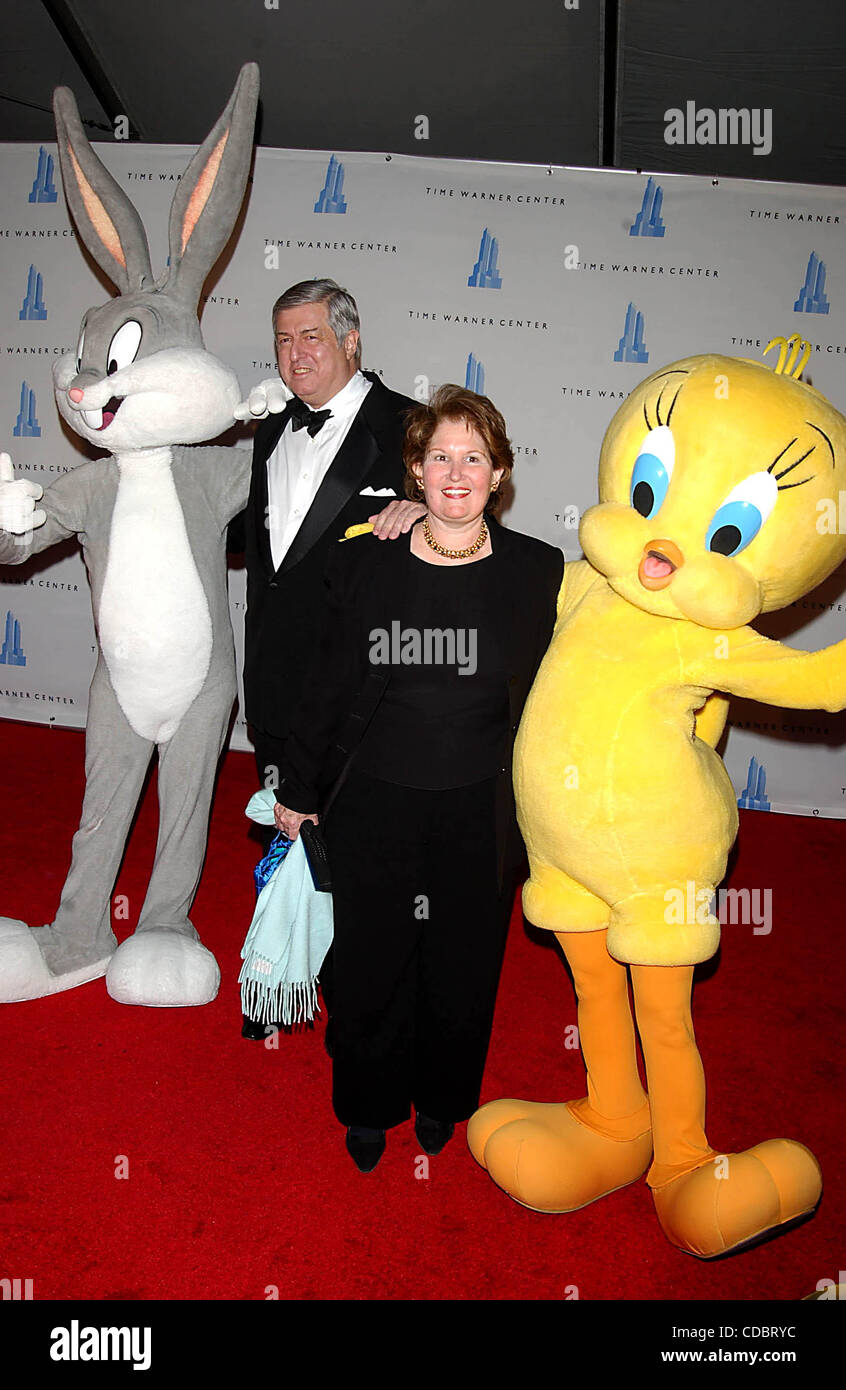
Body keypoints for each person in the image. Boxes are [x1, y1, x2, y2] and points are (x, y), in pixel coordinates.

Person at [272, 385, 565, 1171]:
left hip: (481, 807)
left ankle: (443, 1100)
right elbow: (327, 682)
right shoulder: (367, 558)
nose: (457, 471)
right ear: (415, 471)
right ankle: (368, 1104)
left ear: (500, 473)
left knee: (464, 961)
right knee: (373, 957)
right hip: (374, 800)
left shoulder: (540, 571)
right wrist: (296, 790)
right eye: (440, 457)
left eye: (475, 457)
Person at [233, 278, 421, 1039]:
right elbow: (270, 561)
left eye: (311, 336)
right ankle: (278, 976)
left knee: (358, 854)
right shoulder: (272, 430)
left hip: (360, 695)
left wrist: (431, 515)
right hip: (276, 683)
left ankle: (357, 1001)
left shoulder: (411, 430)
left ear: (351, 340)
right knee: (286, 831)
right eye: (283, 339)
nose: (294, 353)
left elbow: (463, 545)